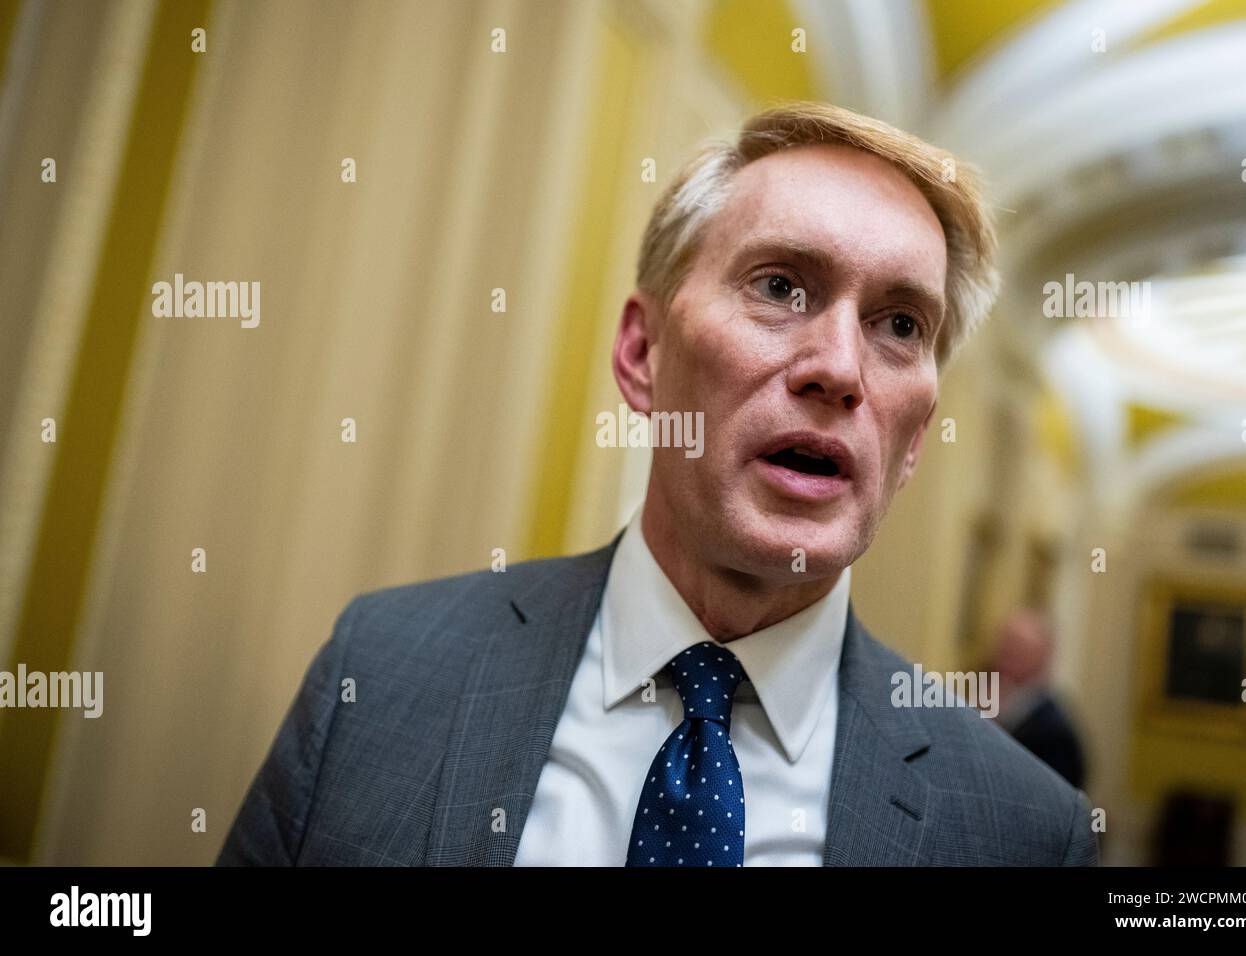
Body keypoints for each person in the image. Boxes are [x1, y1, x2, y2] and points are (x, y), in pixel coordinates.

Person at [217, 101, 1098, 866]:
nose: (838, 368)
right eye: (782, 286)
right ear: (643, 354)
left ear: (913, 444)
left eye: (899, 324)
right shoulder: (380, 674)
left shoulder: (1023, 829)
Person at [990, 609, 1088, 790]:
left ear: (1043, 656)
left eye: (1019, 646)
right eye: (1006, 643)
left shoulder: (1054, 729)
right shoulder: (989, 698)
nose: (1010, 652)